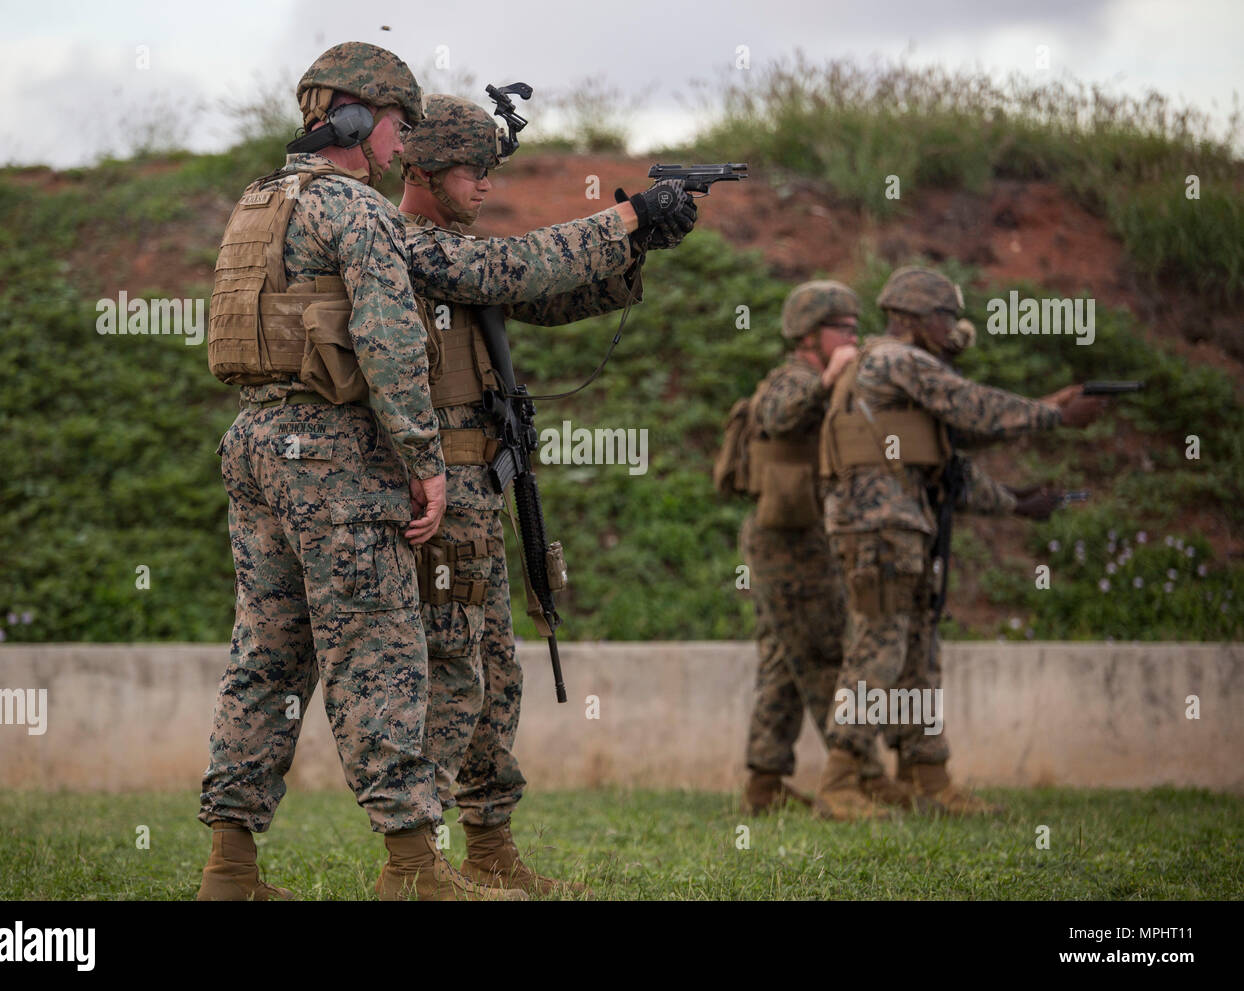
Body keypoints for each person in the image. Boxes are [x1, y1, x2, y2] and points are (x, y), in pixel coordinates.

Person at [196, 42, 696, 901]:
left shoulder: (263, 201)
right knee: (384, 658)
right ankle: (413, 868)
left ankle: (231, 870)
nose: (402, 142)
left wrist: (635, 238)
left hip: (261, 442)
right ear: (356, 117)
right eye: (397, 124)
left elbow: (525, 286)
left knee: (268, 657)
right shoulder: (366, 216)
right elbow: (407, 333)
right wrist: (423, 461)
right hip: (339, 459)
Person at [396, 94, 689, 894]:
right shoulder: (405, 243)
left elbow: (546, 296)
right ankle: (414, 859)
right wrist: (625, 219)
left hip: (480, 484)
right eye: (471, 169)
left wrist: (639, 248)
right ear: (419, 171)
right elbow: (517, 268)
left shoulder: (454, 248)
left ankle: (490, 847)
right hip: (436, 494)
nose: (486, 184)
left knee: (494, 669)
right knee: (453, 671)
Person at [814, 266, 1105, 819]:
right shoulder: (898, 358)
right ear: (919, 317)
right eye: (947, 317)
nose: (953, 329)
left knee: (918, 652)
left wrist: (1019, 501)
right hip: (878, 527)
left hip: (901, 526)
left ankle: (929, 775)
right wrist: (1056, 414)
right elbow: (972, 406)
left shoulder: (899, 373)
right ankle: (840, 780)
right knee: (879, 648)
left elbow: (954, 450)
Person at [725, 281, 913, 814]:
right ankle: (859, 777)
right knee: (825, 652)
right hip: (789, 545)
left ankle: (764, 783)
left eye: (857, 327)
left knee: (784, 661)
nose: (853, 337)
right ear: (810, 335)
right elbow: (779, 415)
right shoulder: (792, 379)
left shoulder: (827, 376)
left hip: (798, 540)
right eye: (842, 329)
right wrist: (827, 380)